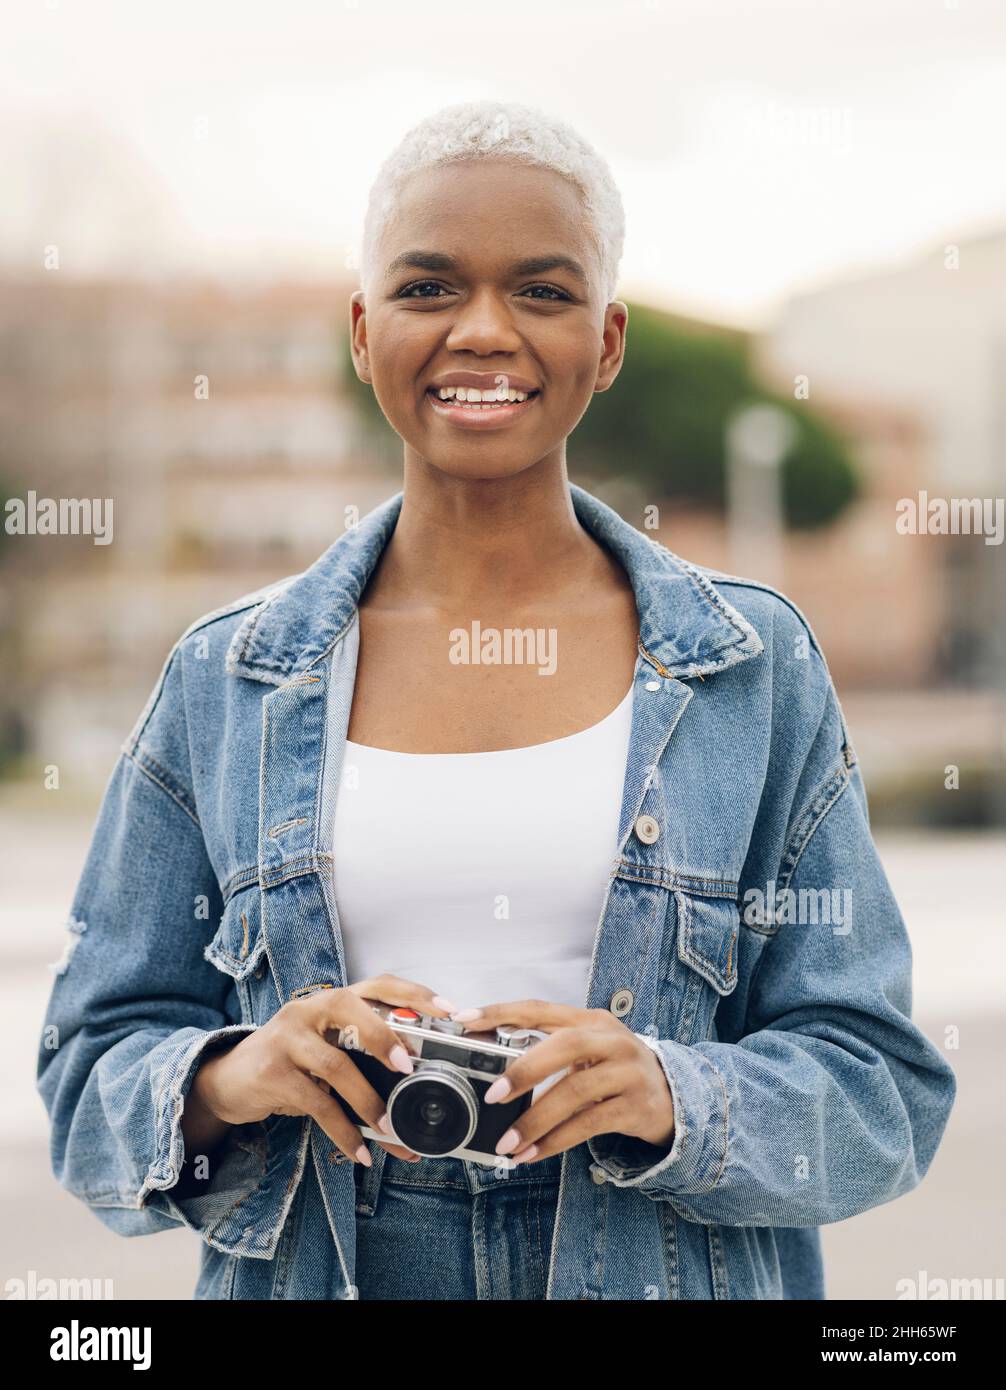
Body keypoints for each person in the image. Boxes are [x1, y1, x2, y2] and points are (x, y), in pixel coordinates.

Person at [37, 100, 956, 1301]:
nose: (483, 331)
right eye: (428, 289)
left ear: (609, 339)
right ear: (364, 333)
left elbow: (882, 1090)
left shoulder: (747, 666)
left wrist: (678, 1094)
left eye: (541, 290)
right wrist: (231, 1076)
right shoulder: (229, 680)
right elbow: (86, 1080)